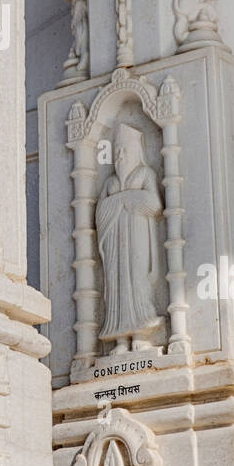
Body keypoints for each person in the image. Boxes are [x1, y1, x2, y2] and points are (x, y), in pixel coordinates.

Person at [96, 123, 164, 352]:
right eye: (117, 152)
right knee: (116, 284)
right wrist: (126, 200)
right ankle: (121, 338)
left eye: (125, 151)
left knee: (137, 279)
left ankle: (141, 334)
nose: (120, 156)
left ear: (136, 152)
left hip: (137, 237)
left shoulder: (144, 174)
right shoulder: (110, 183)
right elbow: (100, 213)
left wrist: (122, 200)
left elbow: (153, 204)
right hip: (115, 241)